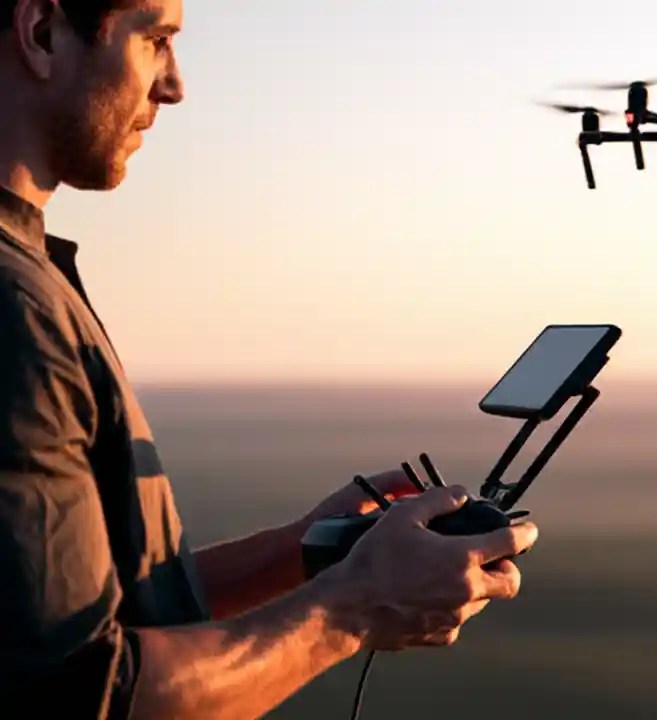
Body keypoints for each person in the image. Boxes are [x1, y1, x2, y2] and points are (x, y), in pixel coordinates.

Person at [0, 1, 539, 717]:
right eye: (155, 39)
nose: (173, 86)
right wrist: (351, 607)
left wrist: (303, 554)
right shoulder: (15, 310)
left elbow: (73, 618)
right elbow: (82, 694)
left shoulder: (30, 276)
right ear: (40, 33)